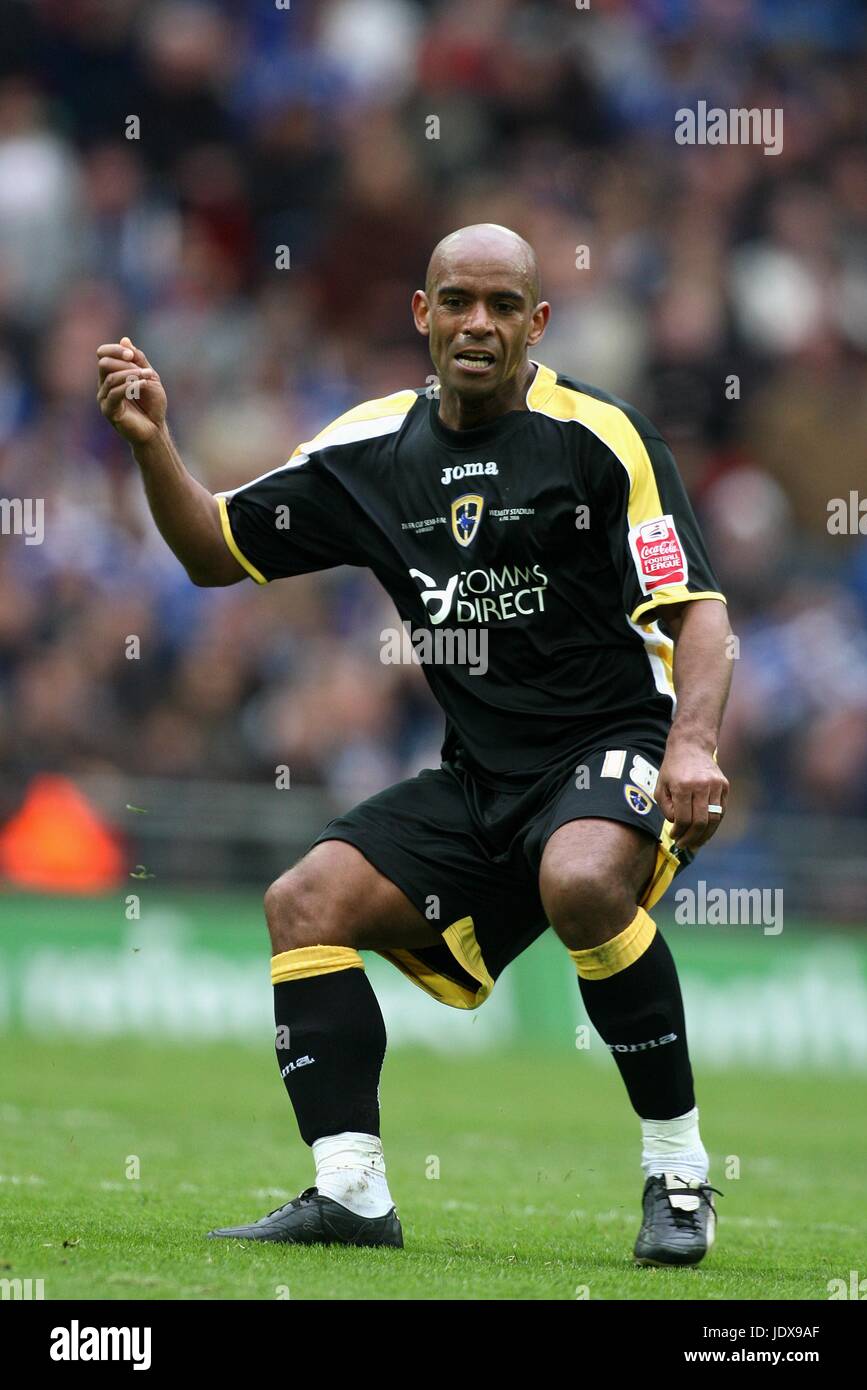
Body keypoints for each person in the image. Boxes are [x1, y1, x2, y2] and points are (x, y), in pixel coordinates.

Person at [97, 223, 731, 1266]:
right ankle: (349, 1192)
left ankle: (679, 1174)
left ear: (537, 322)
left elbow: (696, 610)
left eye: (498, 305)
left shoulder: (599, 437)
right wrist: (152, 442)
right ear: (420, 315)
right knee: (303, 901)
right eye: (454, 301)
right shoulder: (372, 452)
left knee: (579, 879)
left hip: (614, 744)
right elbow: (214, 549)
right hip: (479, 779)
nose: (475, 323)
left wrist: (694, 746)